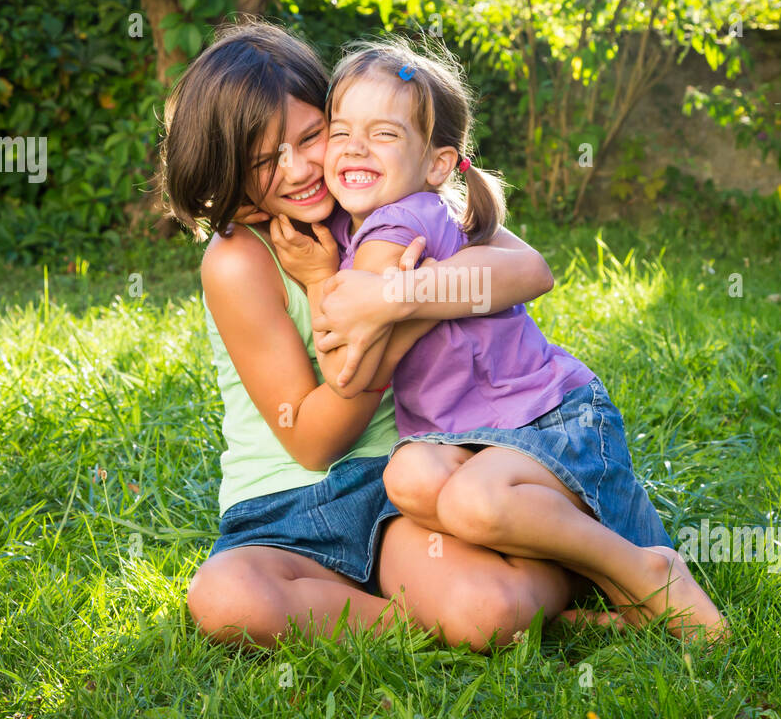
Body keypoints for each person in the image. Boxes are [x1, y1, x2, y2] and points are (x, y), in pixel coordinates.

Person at [285, 36, 727, 640]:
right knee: (409, 476)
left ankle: (646, 570)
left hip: (541, 421)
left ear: (438, 163)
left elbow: (348, 373)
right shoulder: (378, 215)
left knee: (471, 504)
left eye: (384, 134)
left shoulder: (395, 226)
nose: (356, 147)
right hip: (470, 440)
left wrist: (318, 280)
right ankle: (585, 580)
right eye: (341, 131)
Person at [163, 20, 577, 651]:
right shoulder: (237, 260)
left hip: (394, 492)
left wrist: (397, 297)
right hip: (280, 513)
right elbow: (312, 442)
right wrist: (381, 311)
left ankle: (450, 599)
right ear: (226, 167)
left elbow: (527, 270)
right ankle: (416, 618)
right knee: (224, 598)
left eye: (311, 137)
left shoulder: (383, 200)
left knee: (492, 609)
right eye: (264, 159)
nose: (300, 168)